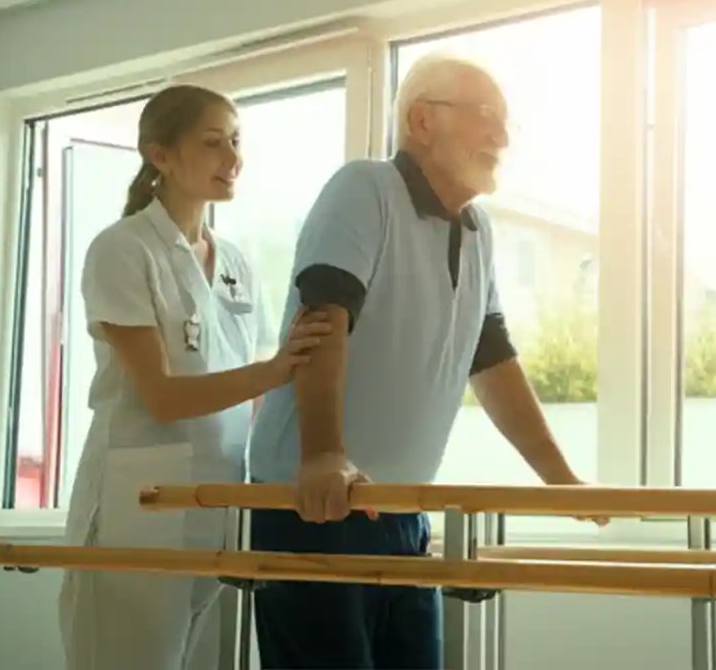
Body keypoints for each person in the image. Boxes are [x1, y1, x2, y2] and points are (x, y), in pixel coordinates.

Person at [246, 53, 598, 669]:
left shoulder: (479, 229)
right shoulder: (365, 188)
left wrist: (561, 480)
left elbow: (491, 362)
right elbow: (324, 317)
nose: (502, 136)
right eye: (486, 115)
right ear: (422, 120)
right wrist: (324, 453)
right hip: (313, 505)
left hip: (402, 511)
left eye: (507, 122)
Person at [56, 84, 332, 670]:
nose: (233, 158)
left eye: (236, 141)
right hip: (139, 503)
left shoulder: (234, 263)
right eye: (212, 143)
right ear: (160, 155)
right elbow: (161, 396)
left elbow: (247, 402)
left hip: (219, 506)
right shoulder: (123, 249)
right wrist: (274, 370)